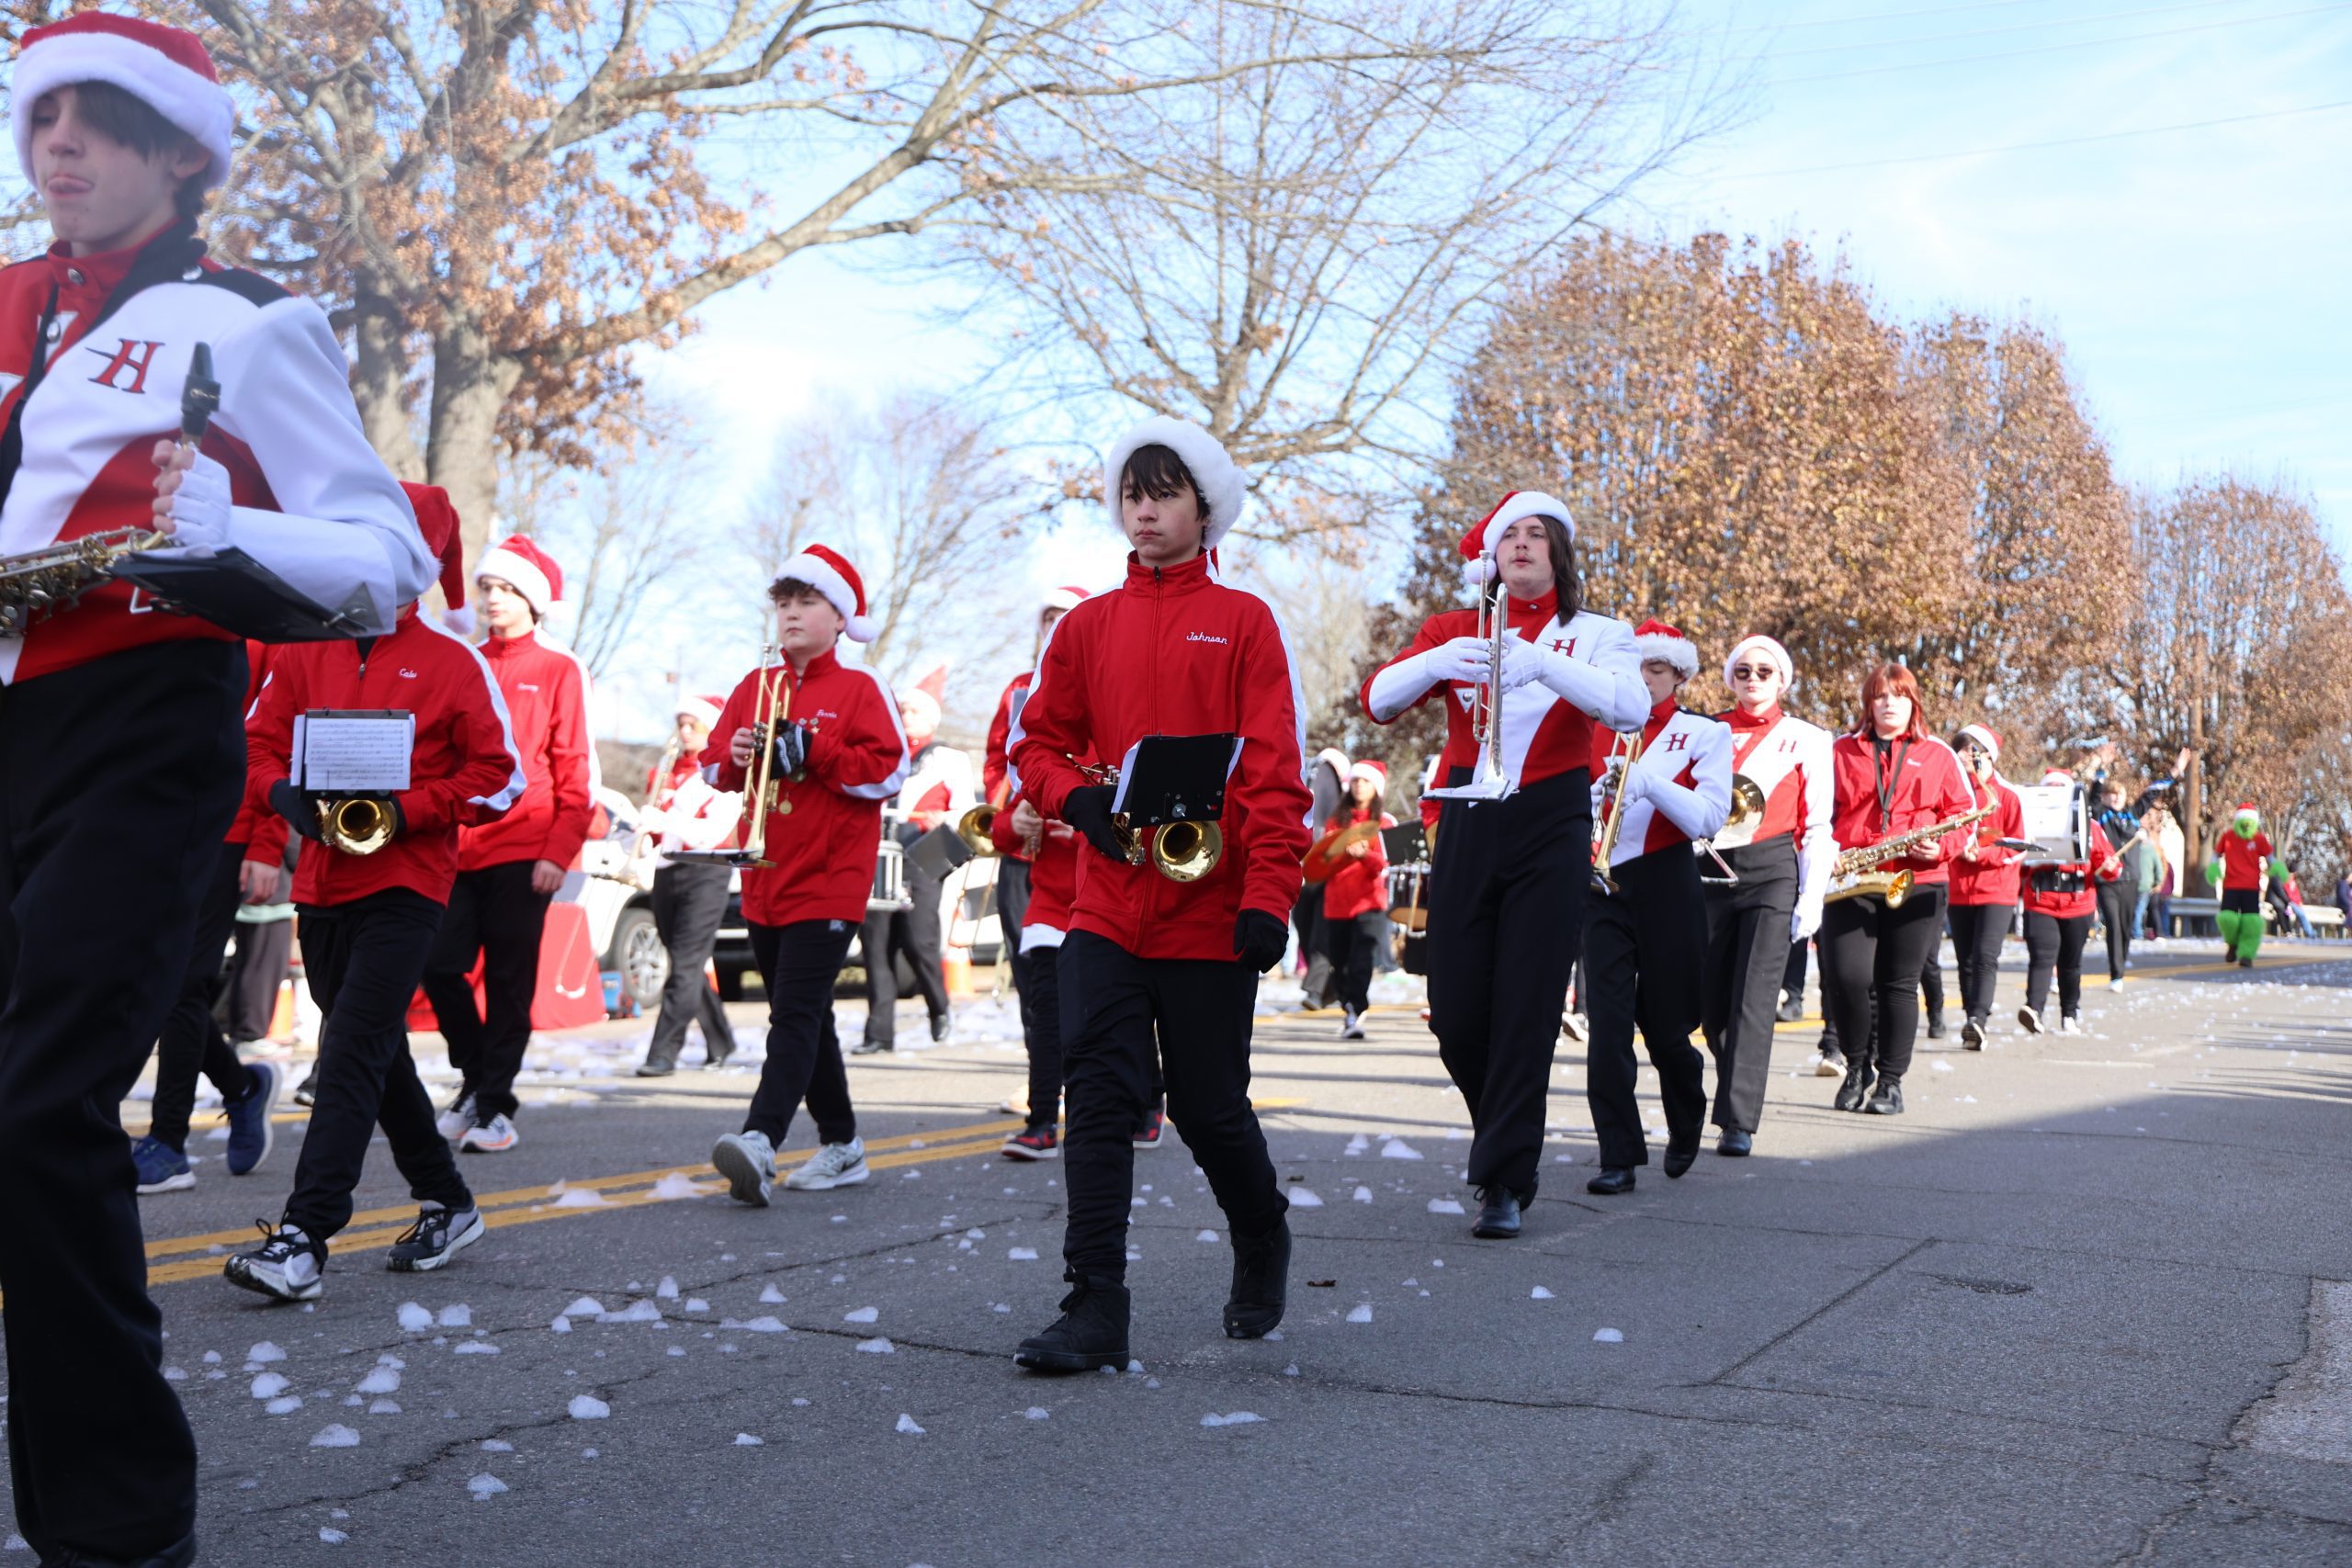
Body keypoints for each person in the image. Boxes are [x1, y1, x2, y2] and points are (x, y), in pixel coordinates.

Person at [0, 18, 435, 1562]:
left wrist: (227, 524)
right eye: (43, 115)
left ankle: (118, 1531)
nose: (61, 145)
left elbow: (390, 555)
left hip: (134, 719)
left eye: (102, 120)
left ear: (183, 152)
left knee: (39, 1107)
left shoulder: (245, 321)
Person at [1009, 415, 1310, 1369]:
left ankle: (1260, 1230)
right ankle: (1095, 1305)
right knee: (1095, 1093)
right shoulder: (1088, 625)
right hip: (1103, 901)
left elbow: (1273, 774)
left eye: (1164, 493)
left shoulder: (1248, 622)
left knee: (1211, 1108)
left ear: (1203, 508)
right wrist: (1076, 803)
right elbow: (1036, 742)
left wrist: (1269, 897)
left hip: (1210, 906)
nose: (1144, 510)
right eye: (1132, 494)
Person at [225, 484, 526, 1303]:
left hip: (407, 881)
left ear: (418, 567)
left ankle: (304, 1236)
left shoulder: (453, 661)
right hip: (322, 883)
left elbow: (503, 779)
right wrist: (279, 795)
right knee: (377, 1053)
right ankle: (451, 1200)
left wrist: (410, 808)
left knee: (351, 1046)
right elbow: (252, 744)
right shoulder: (300, 648)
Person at [1363, 490, 1645, 1239]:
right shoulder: (1452, 627)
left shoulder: (1597, 632)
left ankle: (1504, 1179)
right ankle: (1506, 1136)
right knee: (1456, 1015)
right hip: (1466, 815)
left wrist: (1542, 662)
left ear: (1559, 550)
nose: (1520, 544)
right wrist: (1434, 659)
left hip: (1551, 818)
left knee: (1526, 1005)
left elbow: (1628, 710)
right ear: (1490, 552)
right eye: (1507, 534)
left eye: (1535, 534)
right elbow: (1378, 702)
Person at [706, 546, 910, 1205]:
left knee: (793, 1013)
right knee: (808, 1015)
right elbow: (711, 767)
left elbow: (890, 770)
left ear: (839, 615)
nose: (792, 613)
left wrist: (818, 750)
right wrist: (733, 755)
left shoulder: (859, 686)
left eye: (807, 601)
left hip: (830, 876)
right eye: (784, 602)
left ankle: (761, 1138)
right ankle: (843, 1144)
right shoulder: (753, 683)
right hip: (766, 873)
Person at [424, 533, 594, 1152]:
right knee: (438, 963)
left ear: (534, 598)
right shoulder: (463, 658)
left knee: (509, 982)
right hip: (459, 845)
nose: (493, 598)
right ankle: (476, 1080)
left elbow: (578, 768)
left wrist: (558, 850)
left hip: (527, 847)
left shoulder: (558, 666)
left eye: (507, 588)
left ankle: (495, 1106)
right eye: (487, 587)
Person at [130, 640, 288, 1194]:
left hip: (230, 830)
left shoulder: (264, 633)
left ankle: (169, 1142)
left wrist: (268, 844)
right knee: (159, 983)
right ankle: (241, 1087)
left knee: (181, 985)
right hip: (159, 827)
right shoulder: (164, 615)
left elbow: (277, 738)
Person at [1584, 623, 1731, 1195]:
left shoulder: (1703, 733)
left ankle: (1687, 1102)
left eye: (1655, 669)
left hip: (1669, 879)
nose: (1643, 679)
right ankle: (1617, 1155)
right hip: (1602, 884)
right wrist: (1588, 799)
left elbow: (1708, 818)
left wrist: (1647, 783)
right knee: (1609, 1028)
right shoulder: (1592, 728)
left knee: (1668, 1030)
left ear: (1679, 676)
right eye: (1634, 667)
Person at [1821, 664, 1976, 1116]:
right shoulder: (1839, 752)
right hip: (1852, 878)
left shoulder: (1939, 755)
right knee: (1847, 978)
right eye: (1880, 695)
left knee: (1899, 984)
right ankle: (1855, 1068)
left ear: (1914, 703)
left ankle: (1890, 1082)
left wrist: (1941, 846)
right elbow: (1816, 814)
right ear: (1868, 703)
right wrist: (1824, 848)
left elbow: (1964, 818)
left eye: (1899, 696)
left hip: (1919, 881)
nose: (1889, 703)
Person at [1700, 634, 1834, 1156]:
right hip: (1710, 866)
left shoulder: (1807, 737)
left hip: (1773, 869)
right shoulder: (1708, 730)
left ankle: (1738, 1120)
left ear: (1782, 681)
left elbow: (1818, 824)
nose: (1753, 680)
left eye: (1764, 672)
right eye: (1743, 672)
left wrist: (1812, 894)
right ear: (1730, 678)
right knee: (1711, 1005)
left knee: (1753, 1000)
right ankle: (1734, 1079)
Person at [983, 585, 1090, 1115]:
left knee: (1094, 986)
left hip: (1079, 858)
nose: (1053, 626)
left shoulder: (1101, 684)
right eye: (1046, 618)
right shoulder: (1018, 688)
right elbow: (997, 764)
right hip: (1024, 854)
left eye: (1063, 618)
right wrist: (1011, 816)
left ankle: (1114, 1089)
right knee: (1037, 986)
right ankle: (1046, 1084)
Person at [856, 664, 970, 1054]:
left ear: (931, 717)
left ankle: (939, 1008)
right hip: (878, 853)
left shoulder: (949, 759)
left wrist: (946, 819)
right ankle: (878, 1032)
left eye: (913, 710)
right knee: (876, 943)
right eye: (901, 709)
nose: (905, 716)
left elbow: (967, 811)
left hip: (923, 853)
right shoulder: (882, 754)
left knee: (919, 940)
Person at [633, 695, 743, 1076]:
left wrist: (666, 824)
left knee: (684, 965)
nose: (683, 732)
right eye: (680, 723)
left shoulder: (720, 772)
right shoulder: (667, 772)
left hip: (706, 871)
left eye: (692, 725)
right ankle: (722, 1041)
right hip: (668, 871)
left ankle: (663, 1052)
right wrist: (645, 834)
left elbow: (710, 834)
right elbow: (663, 833)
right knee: (686, 965)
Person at [994, 767, 1080, 1159]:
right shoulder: (1046, 760)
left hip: (1111, 908)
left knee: (1118, 1018)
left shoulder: (1122, 746)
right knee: (1045, 1020)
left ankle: (1149, 1102)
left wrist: (1083, 832)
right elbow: (1000, 834)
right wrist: (1014, 822)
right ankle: (1041, 1122)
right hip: (1048, 912)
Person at [2018, 771, 2120, 1034]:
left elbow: (2110, 864)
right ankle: (2034, 1010)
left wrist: (2109, 866)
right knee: (2042, 957)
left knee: (2071, 962)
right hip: (2041, 901)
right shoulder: (2028, 824)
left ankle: (2069, 1014)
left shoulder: (2090, 827)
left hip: (2078, 903)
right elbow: (2015, 866)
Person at [1946, 725, 2025, 1051]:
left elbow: (2019, 846)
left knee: (1985, 957)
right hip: (1959, 888)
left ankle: (1979, 1018)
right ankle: (1970, 1019)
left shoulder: (2007, 796)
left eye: (1972, 749)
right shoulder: (1951, 792)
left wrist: (1984, 854)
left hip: (1996, 889)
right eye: (1962, 748)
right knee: (1965, 958)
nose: (1966, 755)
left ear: (1988, 755)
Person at [1303, 760, 1395, 1041]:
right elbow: (1321, 863)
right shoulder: (1336, 820)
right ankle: (1348, 1008)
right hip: (1337, 903)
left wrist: (1364, 855)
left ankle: (1357, 1009)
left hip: (1370, 904)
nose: (1359, 785)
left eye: (1365, 781)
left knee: (1361, 961)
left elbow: (1387, 864)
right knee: (1340, 963)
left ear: (1376, 787)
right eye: (1355, 780)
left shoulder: (1385, 822)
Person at [1293, 747, 1350, 1010]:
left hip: (1329, 873)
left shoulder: (1347, 804)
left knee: (1319, 933)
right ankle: (1330, 990)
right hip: (1305, 868)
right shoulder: (1310, 779)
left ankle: (1314, 991)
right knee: (1302, 924)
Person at [2207, 803, 2281, 968]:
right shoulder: (2228, 836)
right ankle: (2232, 944)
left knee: (2251, 923)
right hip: (2231, 886)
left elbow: (2270, 858)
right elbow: (2216, 854)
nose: (2246, 824)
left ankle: (2246, 954)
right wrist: (2213, 867)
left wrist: (2277, 870)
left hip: (2251, 888)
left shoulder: (2259, 838)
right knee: (2227, 919)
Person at [2089, 778, 2142, 990]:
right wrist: (2100, 774)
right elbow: (2092, 802)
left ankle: (2121, 962)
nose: (2116, 797)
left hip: (2130, 879)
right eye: (2112, 793)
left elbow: (2149, 796)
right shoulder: (2102, 815)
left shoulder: (2133, 817)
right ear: (2105, 796)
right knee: (2113, 923)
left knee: (2126, 925)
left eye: (2120, 793)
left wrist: (2174, 773)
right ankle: (2116, 973)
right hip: (2108, 879)